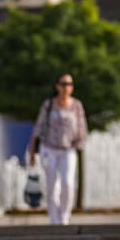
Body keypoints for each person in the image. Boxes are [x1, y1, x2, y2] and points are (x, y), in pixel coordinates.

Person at [28, 73, 88, 225]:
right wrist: (32, 150)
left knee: (67, 182)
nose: (68, 87)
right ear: (57, 86)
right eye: (64, 84)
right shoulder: (48, 105)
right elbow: (38, 127)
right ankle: (54, 218)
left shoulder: (76, 105)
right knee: (52, 184)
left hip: (68, 149)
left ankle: (65, 215)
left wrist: (80, 143)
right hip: (49, 148)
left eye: (70, 84)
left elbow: (82, 127)